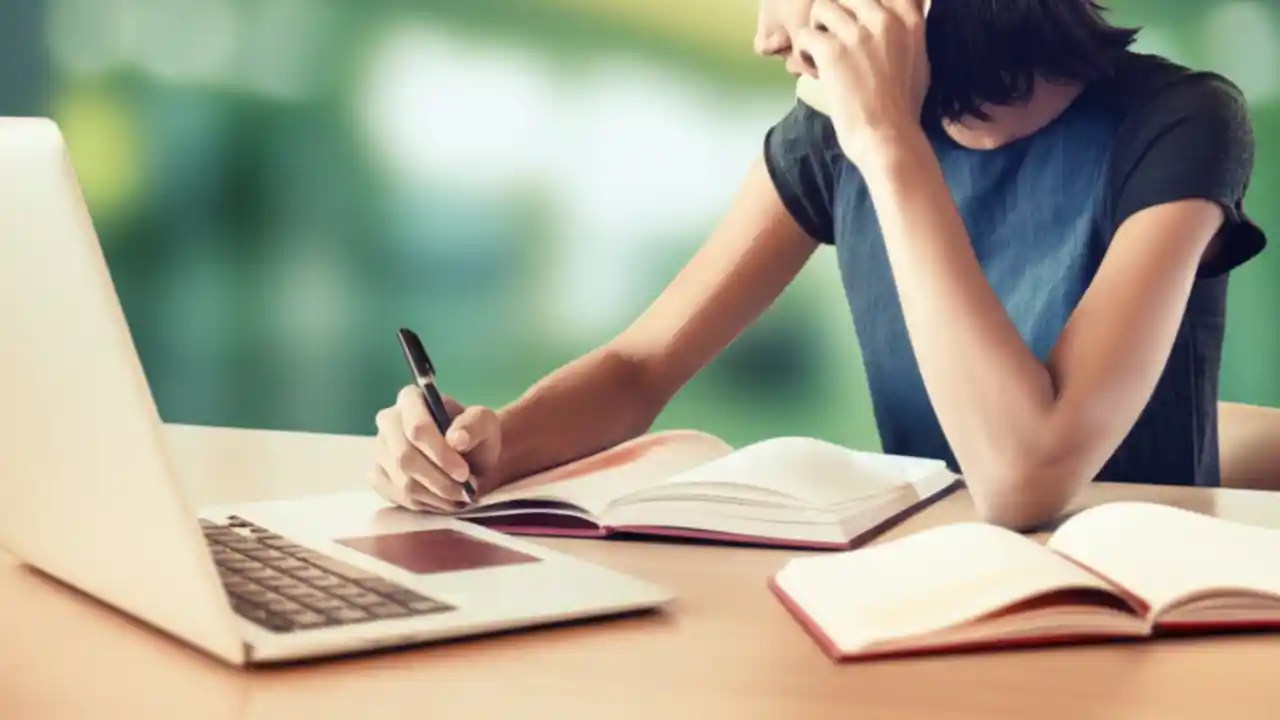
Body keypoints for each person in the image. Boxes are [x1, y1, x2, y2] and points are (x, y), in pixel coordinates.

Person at [371, 0, 1267, 529]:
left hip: (1135, 608)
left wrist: (887, 140)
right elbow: (639, 367)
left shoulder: (1179, 125)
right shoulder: (830, 141)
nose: (767, 33)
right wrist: (488, 448)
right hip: (932, 592)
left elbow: (1026, 476)